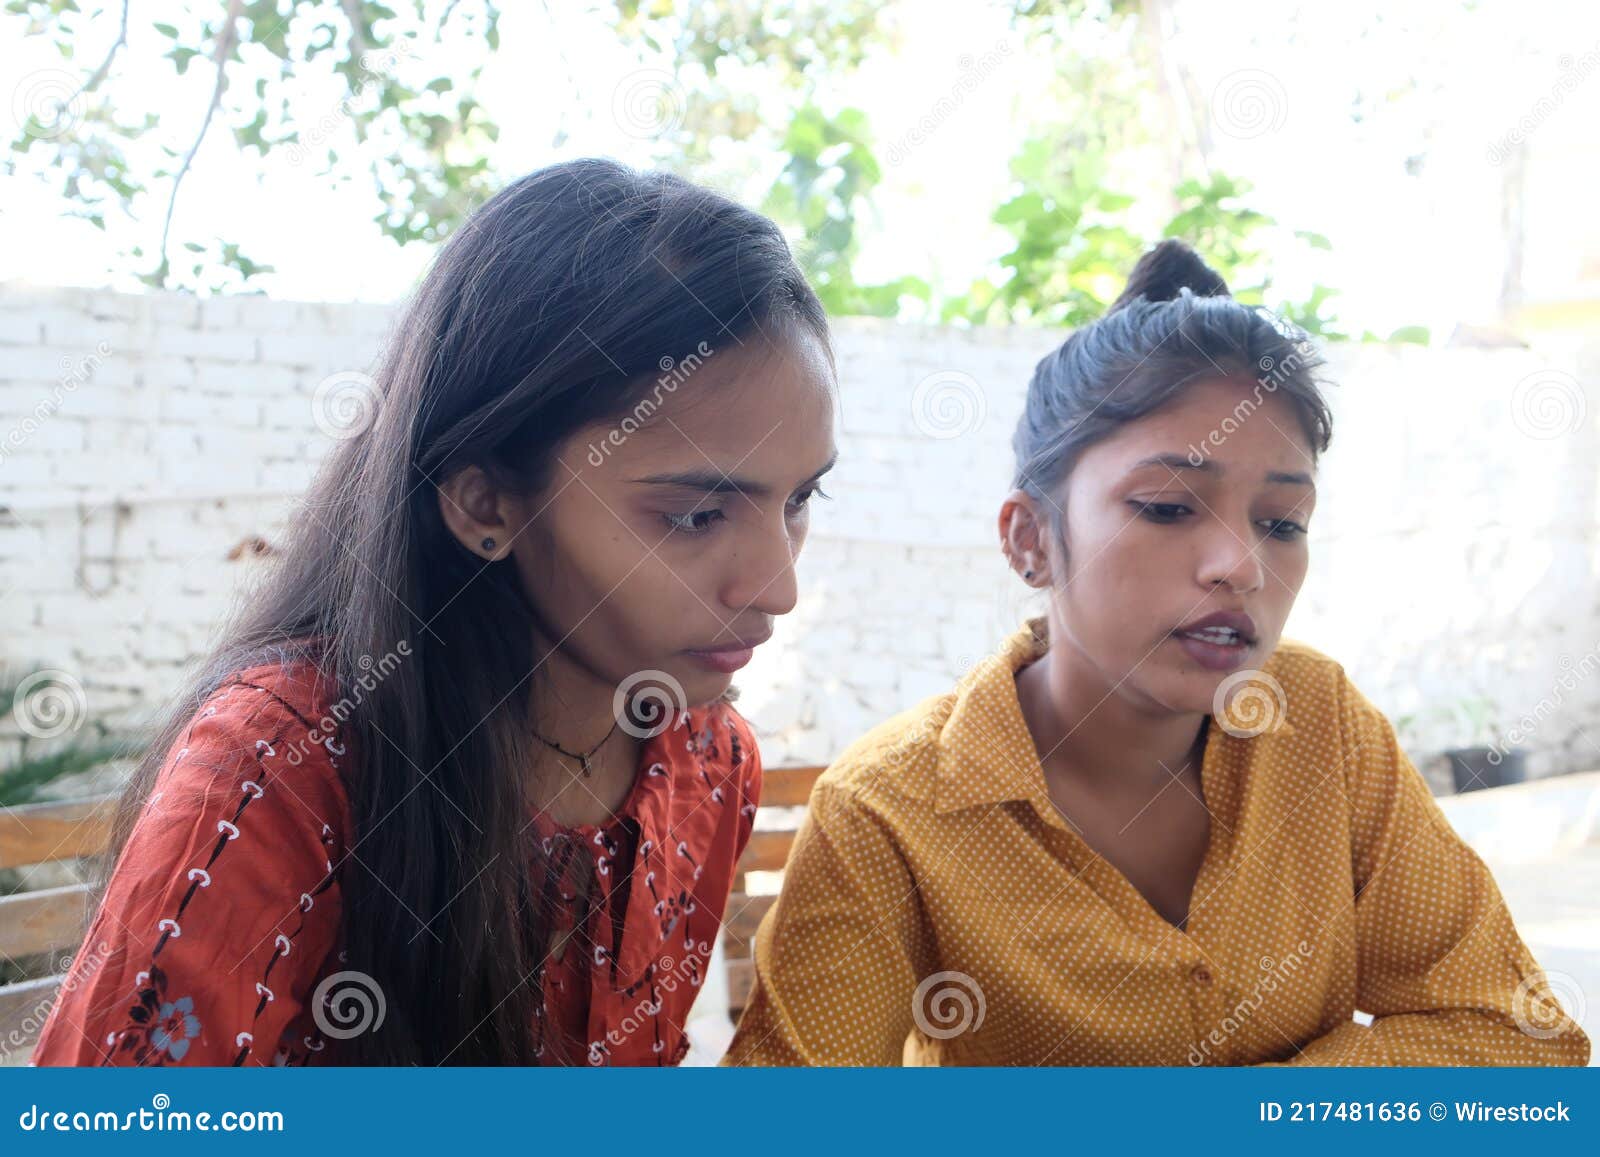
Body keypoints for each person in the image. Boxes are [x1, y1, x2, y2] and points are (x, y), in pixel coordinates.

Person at [33, 159, 838, 1066]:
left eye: (802, 498)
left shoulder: (708, 761)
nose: (777, 586)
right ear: (486, 503)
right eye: (694, 515)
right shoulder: (289, 767)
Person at [724, 240, 1590, 1067]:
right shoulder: (889, 814)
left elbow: (1517, 1039)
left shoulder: (1322, 728)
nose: (1242, 565)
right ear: (1031, 540)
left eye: (1282, 522)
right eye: (1170, 507)